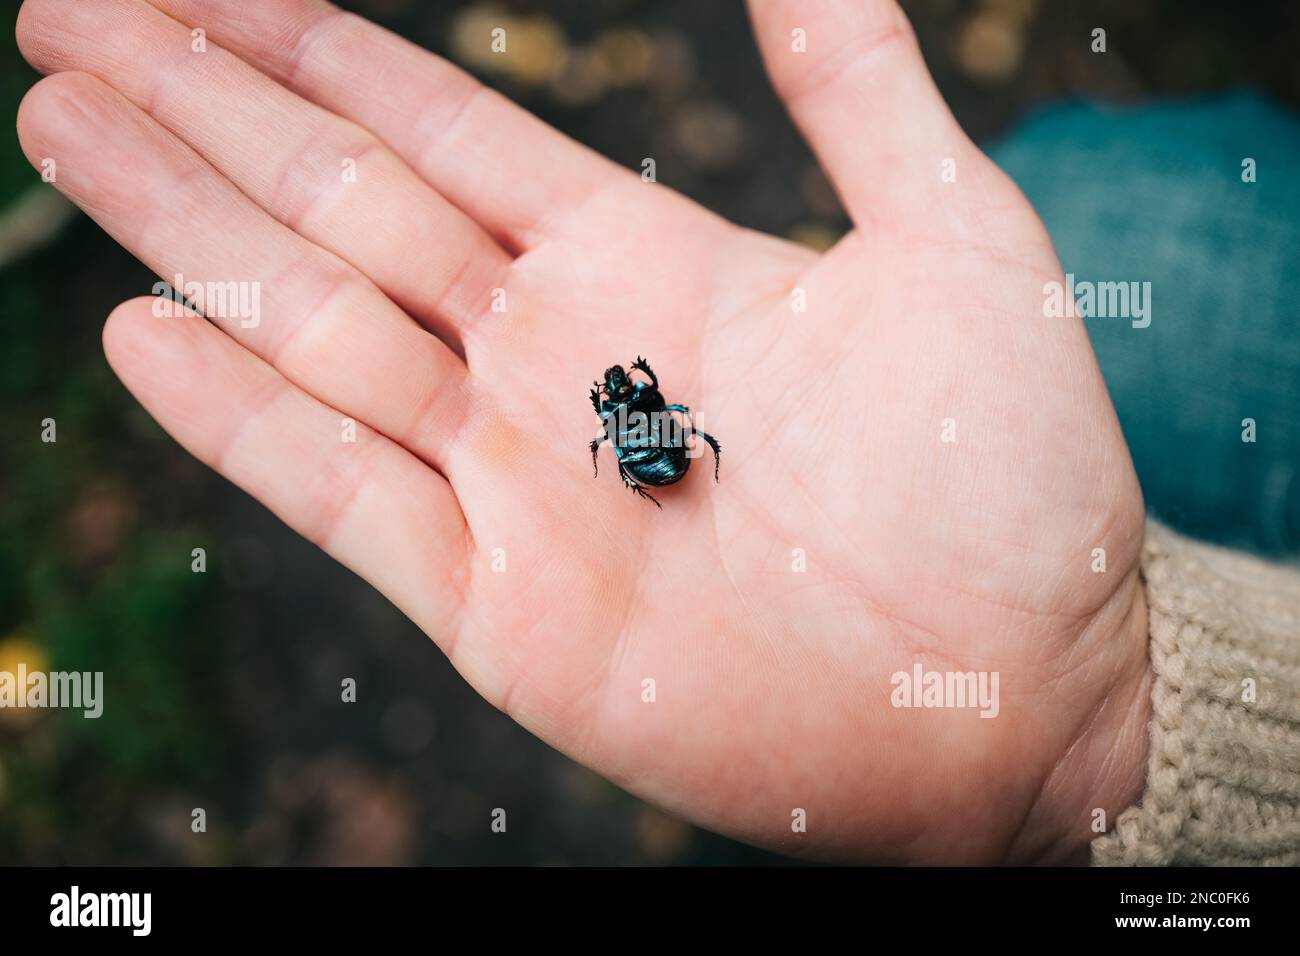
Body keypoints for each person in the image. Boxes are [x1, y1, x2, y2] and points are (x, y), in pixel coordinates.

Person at [13, 0, 1299, 864]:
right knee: (1097, 206)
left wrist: (1094, 720)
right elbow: (652, 425)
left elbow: (651, 425)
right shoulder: (640, 420)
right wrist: (1104, 717)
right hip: (663, 458)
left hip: (663, 459)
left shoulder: (638, 420)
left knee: (1098, 208)